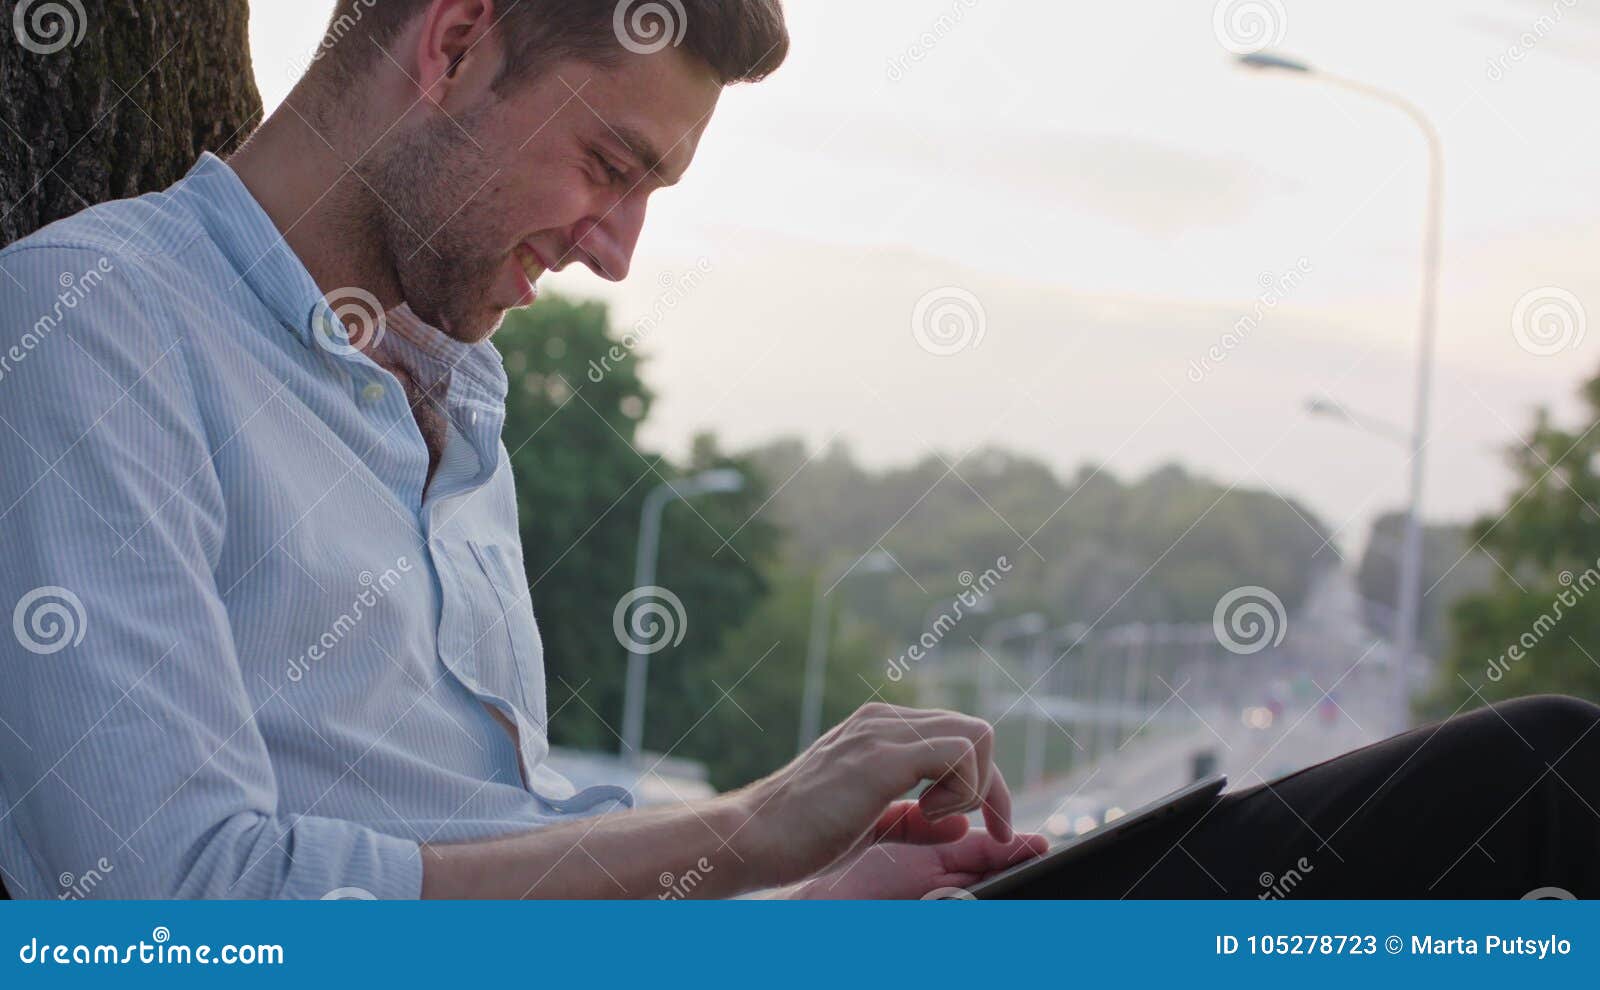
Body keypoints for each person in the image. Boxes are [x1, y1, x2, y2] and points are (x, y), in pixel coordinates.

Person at [0, 0, 1594, 901]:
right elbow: (168, 910)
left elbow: (495, 839)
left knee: (1512, 836)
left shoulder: (447, 398)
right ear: (457, 38)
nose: (616, 249)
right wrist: (735, 828)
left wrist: (808, 892)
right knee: (1536, 793)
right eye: (611, 164)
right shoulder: (95, 331)